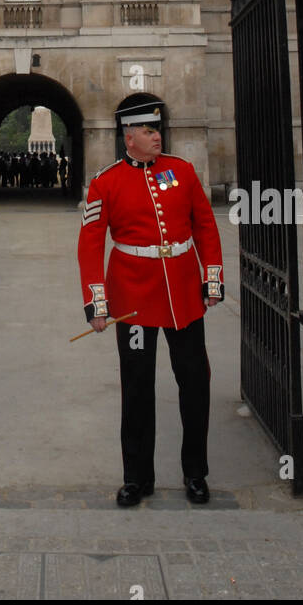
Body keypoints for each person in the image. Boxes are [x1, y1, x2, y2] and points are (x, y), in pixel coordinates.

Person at [77, 96, 223, 507]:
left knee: (195, 384)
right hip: (134, 301)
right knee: (137, 388)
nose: (157, 136)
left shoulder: (182, 172)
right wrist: (97, 302)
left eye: (157, 129)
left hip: (183, 296)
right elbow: (90, 246)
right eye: (147, 130)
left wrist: (212, 279)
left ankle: (195, 472)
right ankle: (137, 477)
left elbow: (206, 228)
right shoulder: (105, 183)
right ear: (129, 136)